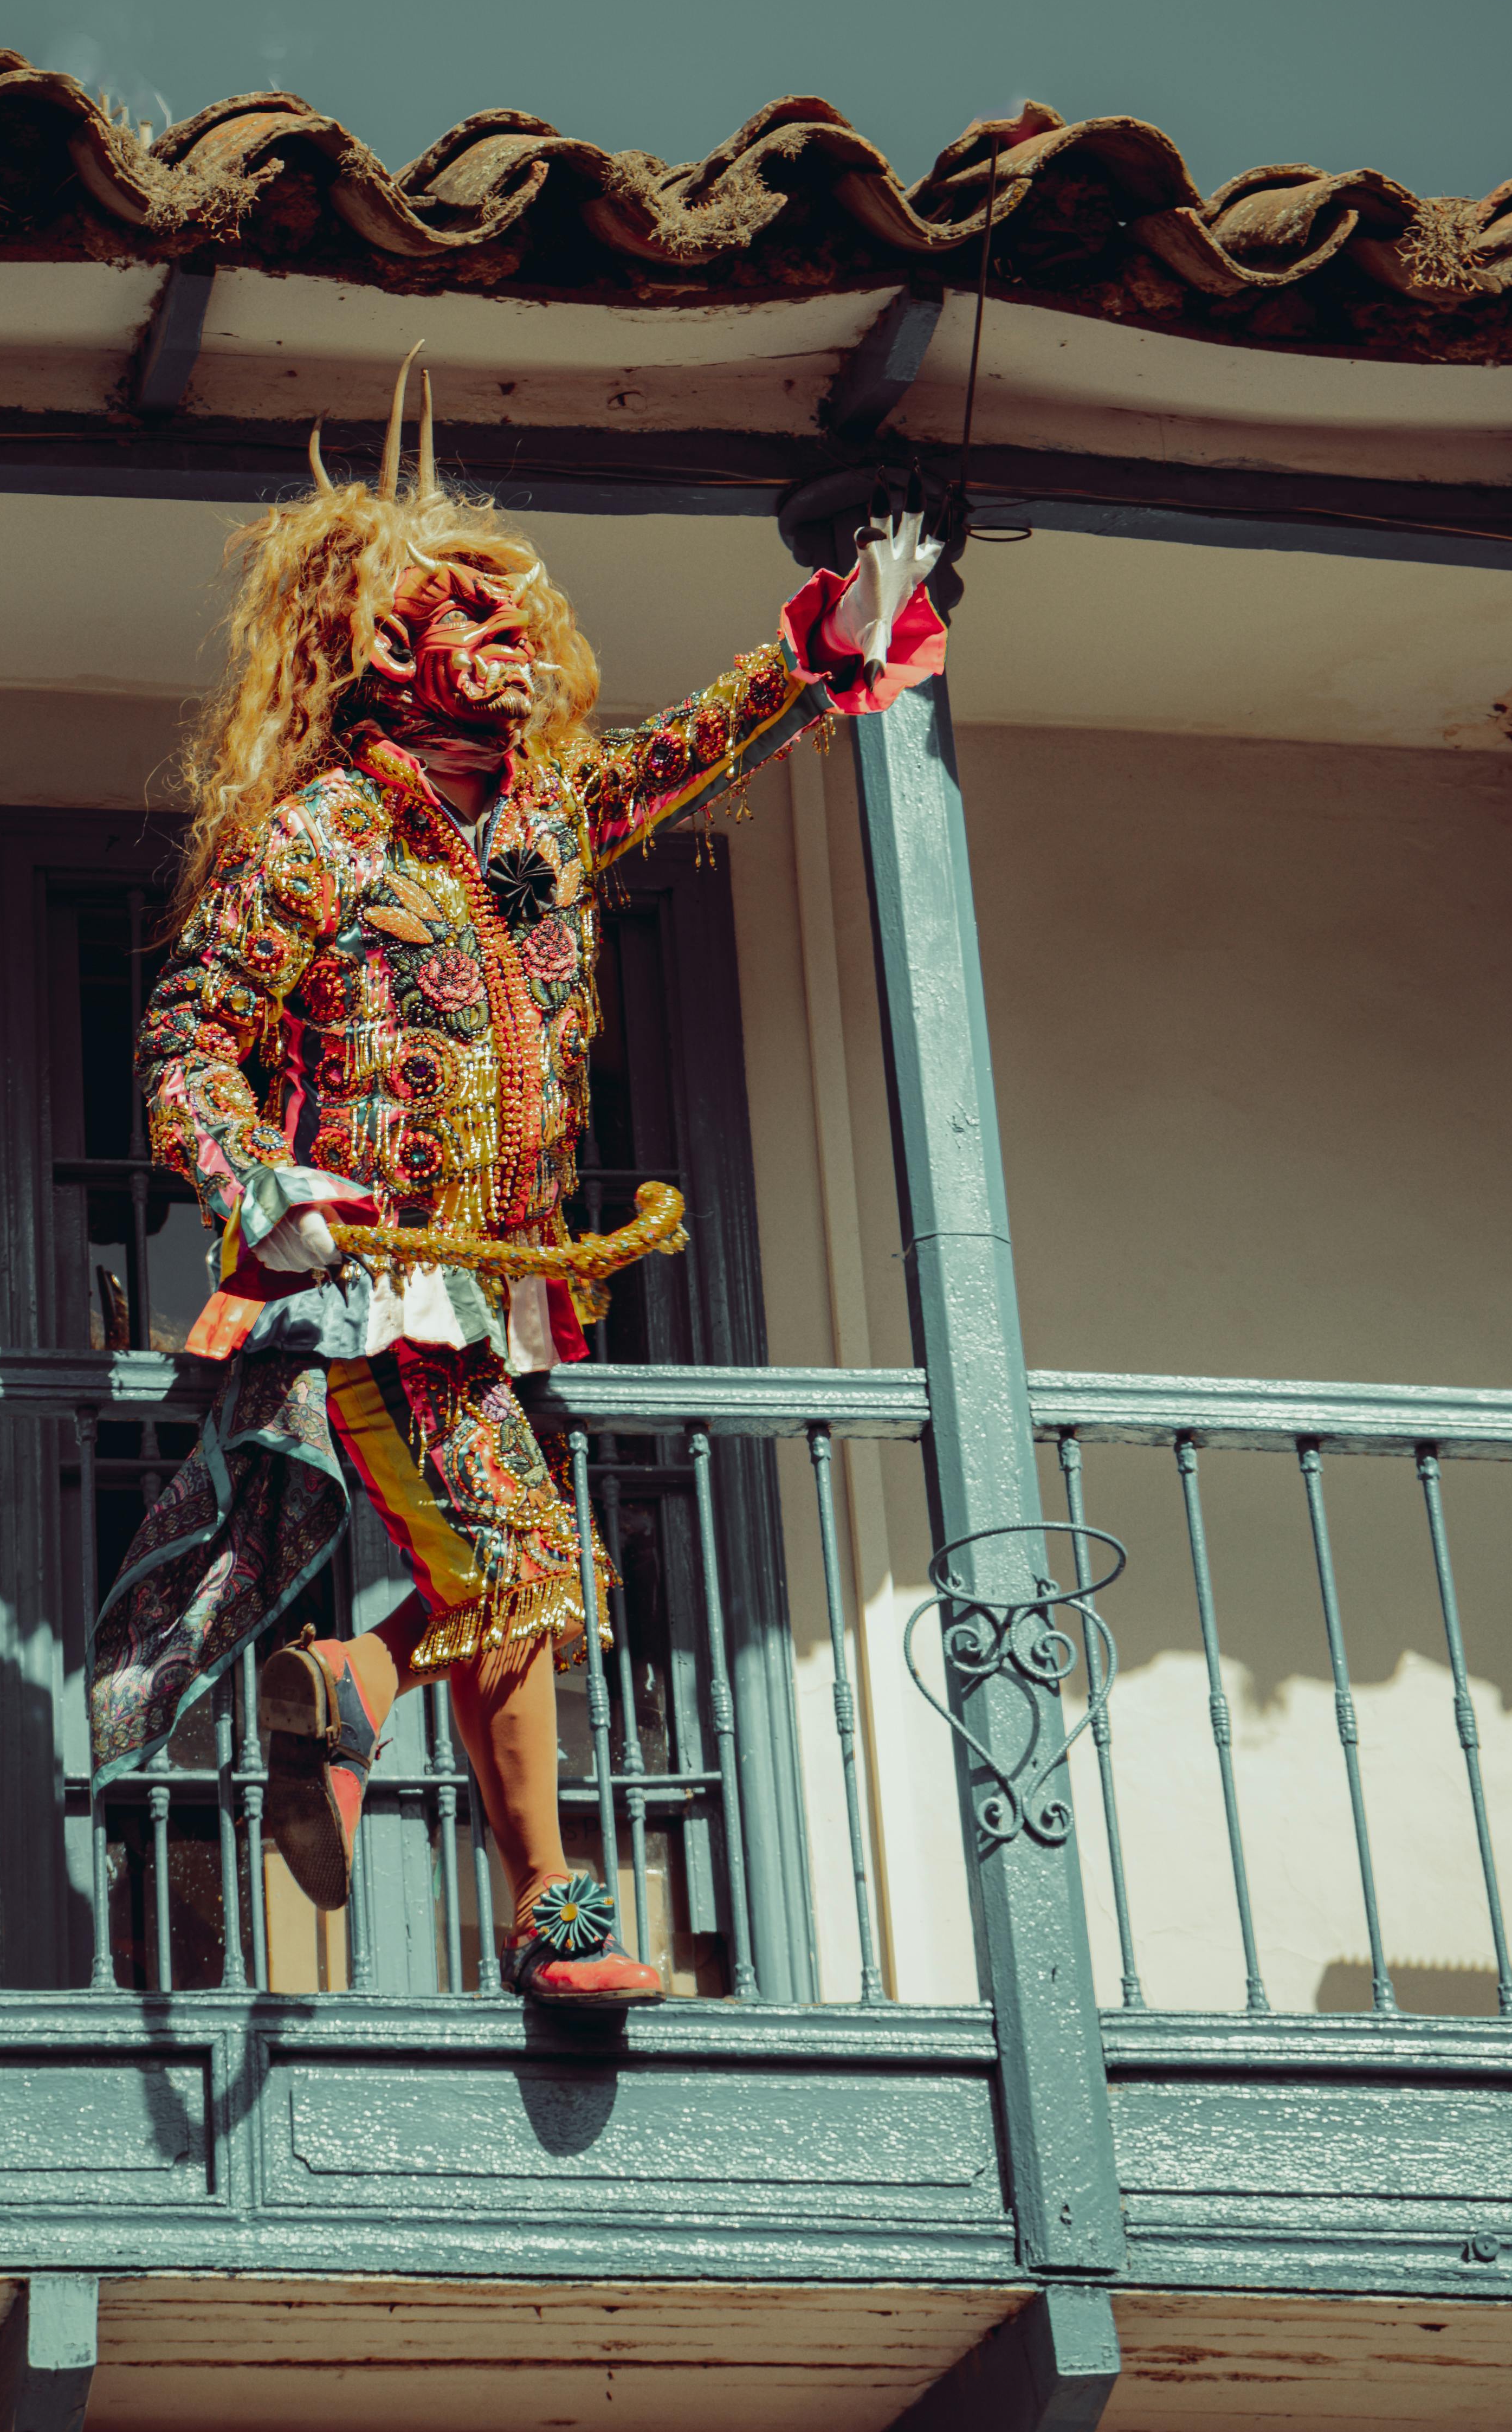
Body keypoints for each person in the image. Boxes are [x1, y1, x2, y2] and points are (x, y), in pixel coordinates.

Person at [89, 364, 946, 2010]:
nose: (509, 637)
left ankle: (505, 1869)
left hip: (498, 1283)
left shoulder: (538, 822)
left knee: (519, 1581)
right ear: (385, 645)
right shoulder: (325, 838)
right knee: (529, 1564)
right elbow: (188, 1032)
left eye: (511, 612)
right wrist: (256, 1176)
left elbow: (680, 760)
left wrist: (820, 648)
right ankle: (427, 1765)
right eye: (465, 613)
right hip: (367, 1284)